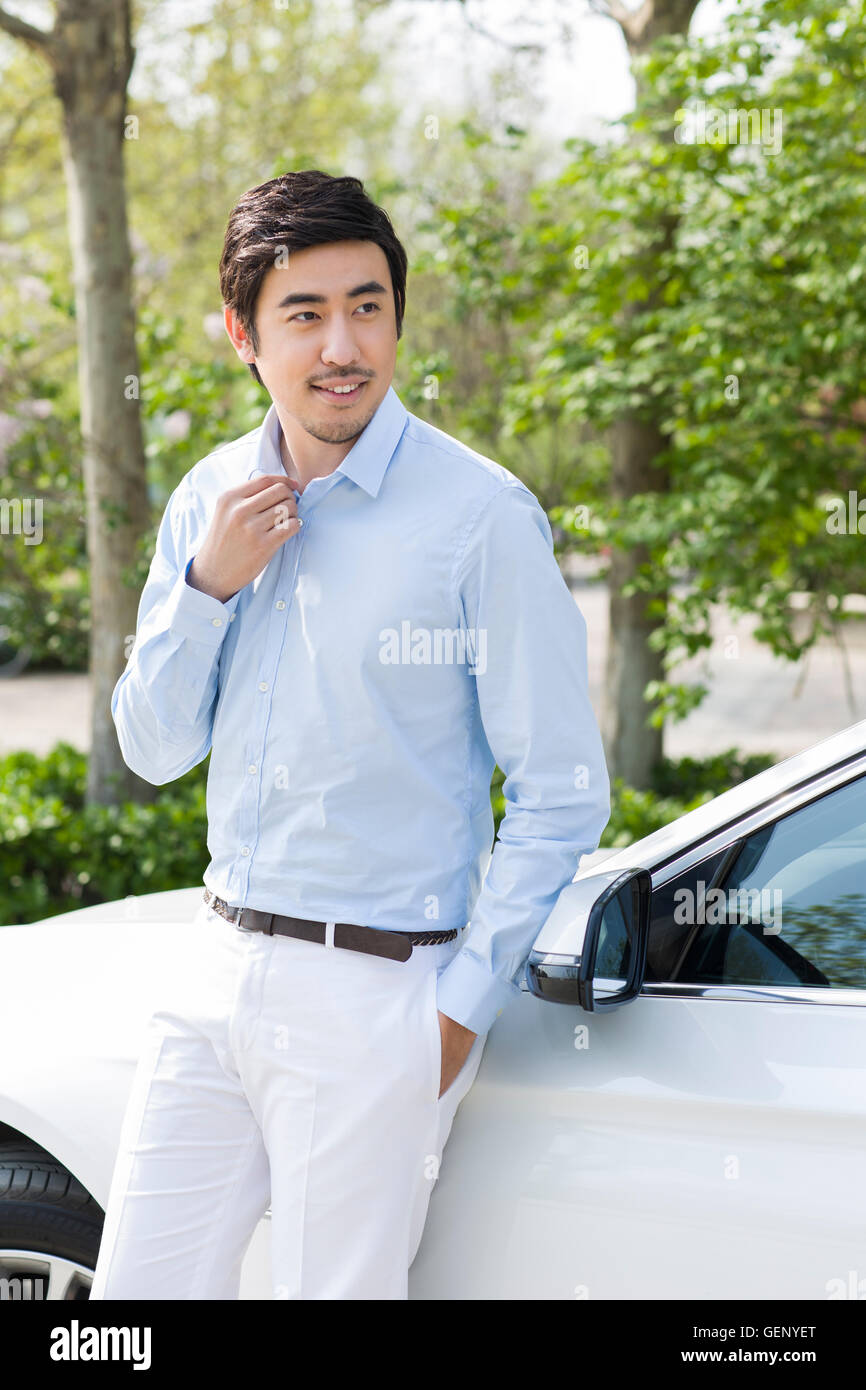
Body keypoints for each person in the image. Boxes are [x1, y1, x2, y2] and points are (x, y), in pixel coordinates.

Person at [89, 169, 610, 1301]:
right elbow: (153, 748)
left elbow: (563, 790)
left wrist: (454, 1017)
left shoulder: (479, 518)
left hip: (378, 996)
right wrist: (204, 589)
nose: (343, 345)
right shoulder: (209, 498)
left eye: (366, 306)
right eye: (305, 312)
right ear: (243, 333)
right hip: (216, 966)